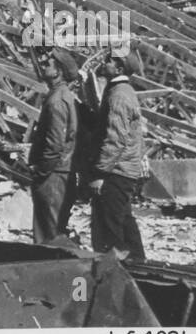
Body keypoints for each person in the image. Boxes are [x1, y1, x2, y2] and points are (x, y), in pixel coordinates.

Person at [89, 50, 147, 260]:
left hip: (116, 172)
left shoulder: (119, 94)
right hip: (123, 171)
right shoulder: (121, 90)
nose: (104, 63)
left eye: (109, 61)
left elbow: (116, 139)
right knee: (124, 224)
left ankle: (120, 274)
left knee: (112, 231)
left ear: (120, 68)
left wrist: (100, 173)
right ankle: (139, 268)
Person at [28, 53, 80, 244]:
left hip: (53, 175)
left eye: (47, 63)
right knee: (54, 230)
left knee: (48, 235)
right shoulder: (63, 95)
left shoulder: (56, 100)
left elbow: (55, 144)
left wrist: (41, 172)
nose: (42, 65)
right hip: (60, 172)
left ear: (59, 70)